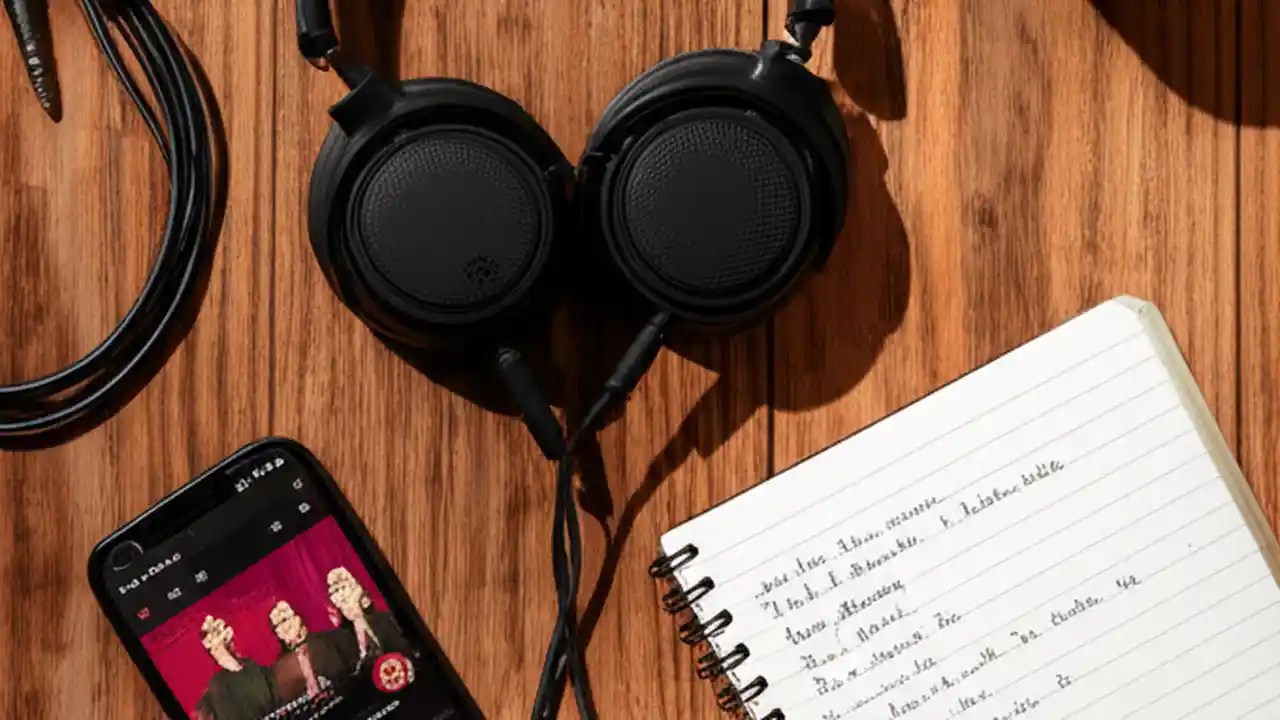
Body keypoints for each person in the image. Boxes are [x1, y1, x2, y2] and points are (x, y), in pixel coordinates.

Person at [267, 600, 351, 706]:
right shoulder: (279, 668)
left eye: (284, 620)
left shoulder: (333, 639)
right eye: (276, 626)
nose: (283, 628)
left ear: (299, 616)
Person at [193, 615, 274, 720]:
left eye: (227, 641)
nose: (225, 649)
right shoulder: (218, 684)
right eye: (215, 648)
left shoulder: (251, 665)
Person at [326, 567, 410, 665]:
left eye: (343, 588)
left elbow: (405, 649)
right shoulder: (345, 640)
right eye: (335, 592)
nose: (340, 597)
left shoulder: (384, 620)